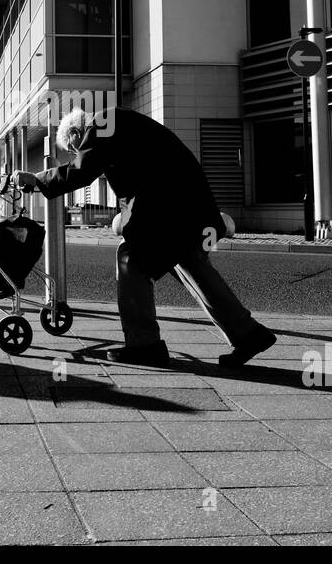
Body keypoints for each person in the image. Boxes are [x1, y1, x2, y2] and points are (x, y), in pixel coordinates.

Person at [14, 106, 276, 368]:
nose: (76, 152)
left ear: (74, 132)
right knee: (191, 264)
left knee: (132, 258)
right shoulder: (119, 124)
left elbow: (82, 169)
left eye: (74, 148)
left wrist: (38, 180)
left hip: (168, 207)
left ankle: (144, 344)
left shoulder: (102, 124)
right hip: (184, 205)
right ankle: (248, 334)